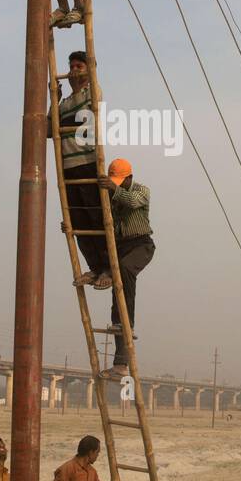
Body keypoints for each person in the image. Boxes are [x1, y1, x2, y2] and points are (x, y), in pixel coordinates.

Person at [47, 50, 111, 290]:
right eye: (71, 66)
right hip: (68, 168)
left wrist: (89, 68)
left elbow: (85, 116)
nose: (74, 70)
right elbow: (48, 129)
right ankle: (94, 268)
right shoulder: (63, 104)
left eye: (78, 66)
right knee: (77, 221)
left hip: (87, 162)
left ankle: (107, 267)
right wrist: (54, 99)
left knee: (96, 218)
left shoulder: (91, 92)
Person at [98, 158, 155, 379]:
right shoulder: (110, 197)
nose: (117, 185)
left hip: (141, 245)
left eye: (120, 182)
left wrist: (114, 189)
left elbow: (132, 201)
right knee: (117, 298)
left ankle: (126, 322)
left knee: (124, 270)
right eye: (115, 182)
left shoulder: (141, 190)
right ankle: (120, 363)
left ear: (129, 177)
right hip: (121, 247)